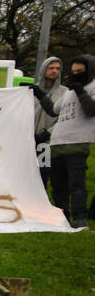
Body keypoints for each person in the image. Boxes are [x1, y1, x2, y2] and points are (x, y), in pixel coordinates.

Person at [49, 55, 95, 230]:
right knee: (58, 185)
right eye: (73, 72)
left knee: (76, 184)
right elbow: (53, 110)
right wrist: (37, 93)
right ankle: (62, 216)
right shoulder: (68, 91)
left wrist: (81, 91)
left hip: (77, 142)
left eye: (80, 72)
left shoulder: (91, 86)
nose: (75, 75)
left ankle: (80, 218)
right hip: (57, 143)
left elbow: (91, 110)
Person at [32, 57, 64, 194]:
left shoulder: (64, 92)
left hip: (47, 142)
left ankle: (41, 202)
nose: (54, 71)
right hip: (29, 140)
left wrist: (49, 132)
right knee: (27, 171)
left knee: (43, 173)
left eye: (57, 68)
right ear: (44, 69)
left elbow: (63, 118)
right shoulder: (32, 90)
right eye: (51, 68)